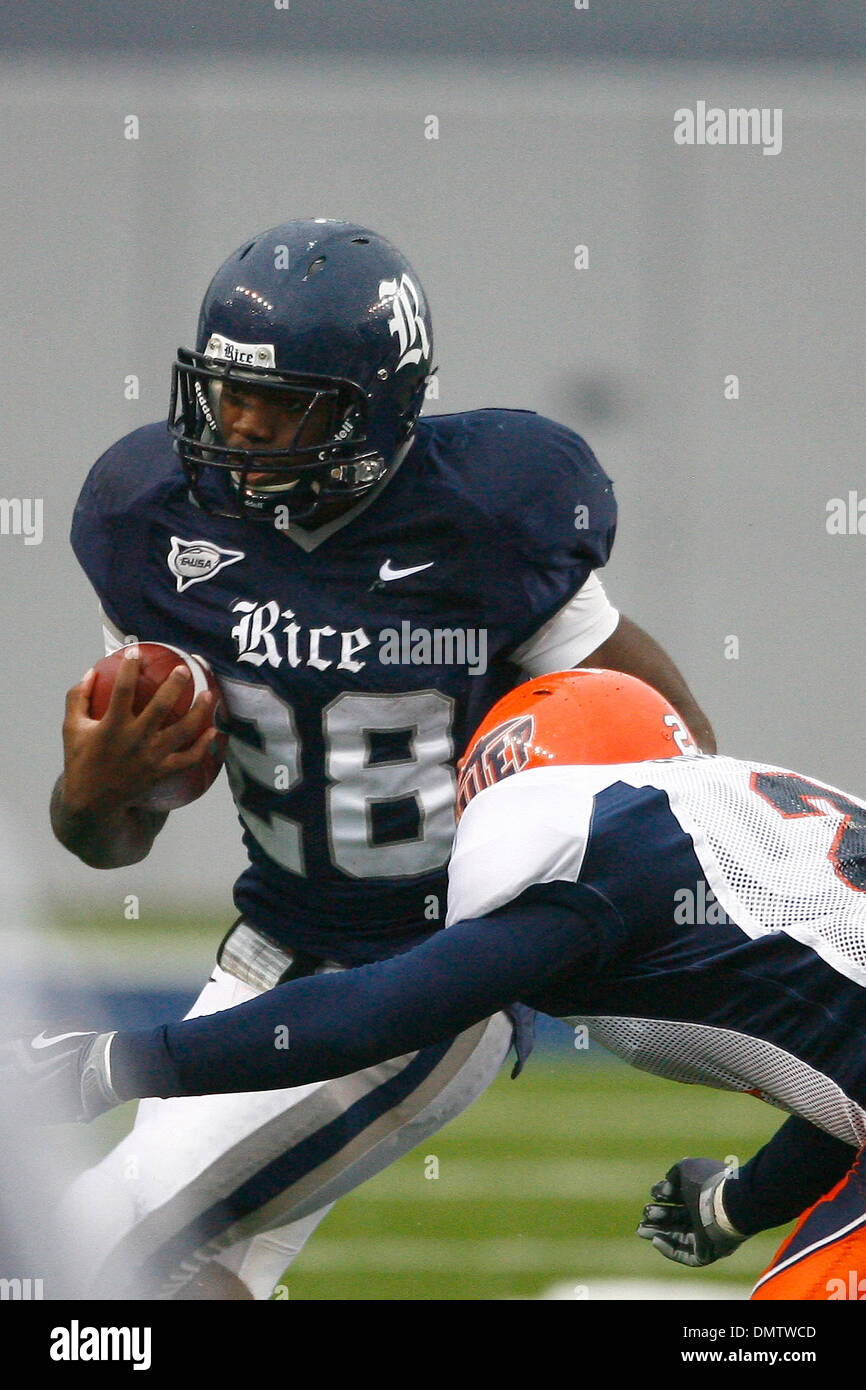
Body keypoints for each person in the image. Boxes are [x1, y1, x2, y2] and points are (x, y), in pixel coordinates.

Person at [49, 219, 714, 1300]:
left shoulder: (491, 513)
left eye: (288, 400)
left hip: (430, 982)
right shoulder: (155, 519)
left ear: (380, 403)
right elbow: (106, 841)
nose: (246, 424)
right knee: (189, 1271)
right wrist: (92, 791)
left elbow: (664, 732)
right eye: (228, 392)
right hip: (258, 959)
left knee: (96, 1246)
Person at [23, 669, 866, 1301]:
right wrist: (739, 1204)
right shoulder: (739, 822)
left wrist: (109, 1064)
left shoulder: (609, 845)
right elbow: (846, 1084)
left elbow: (374, 1014)